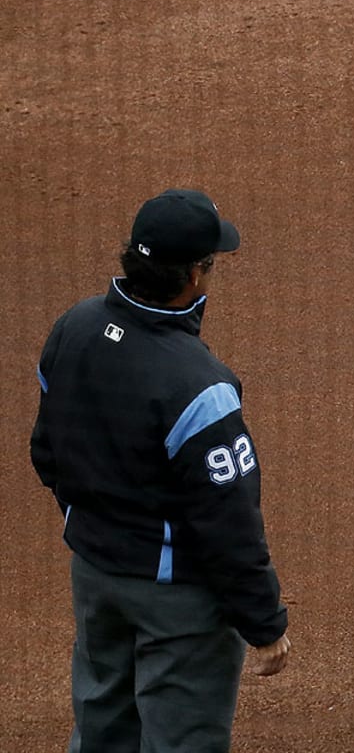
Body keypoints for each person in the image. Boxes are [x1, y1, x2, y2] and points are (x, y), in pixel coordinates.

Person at [31, 189, 291, 752]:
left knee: (101, 732)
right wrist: (265, 623)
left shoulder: (72, 329)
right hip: (178, 604)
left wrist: (103, 528)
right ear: (194, 277)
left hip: (95, 578)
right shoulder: (198, 385)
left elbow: (45, 454)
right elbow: (230, 525)